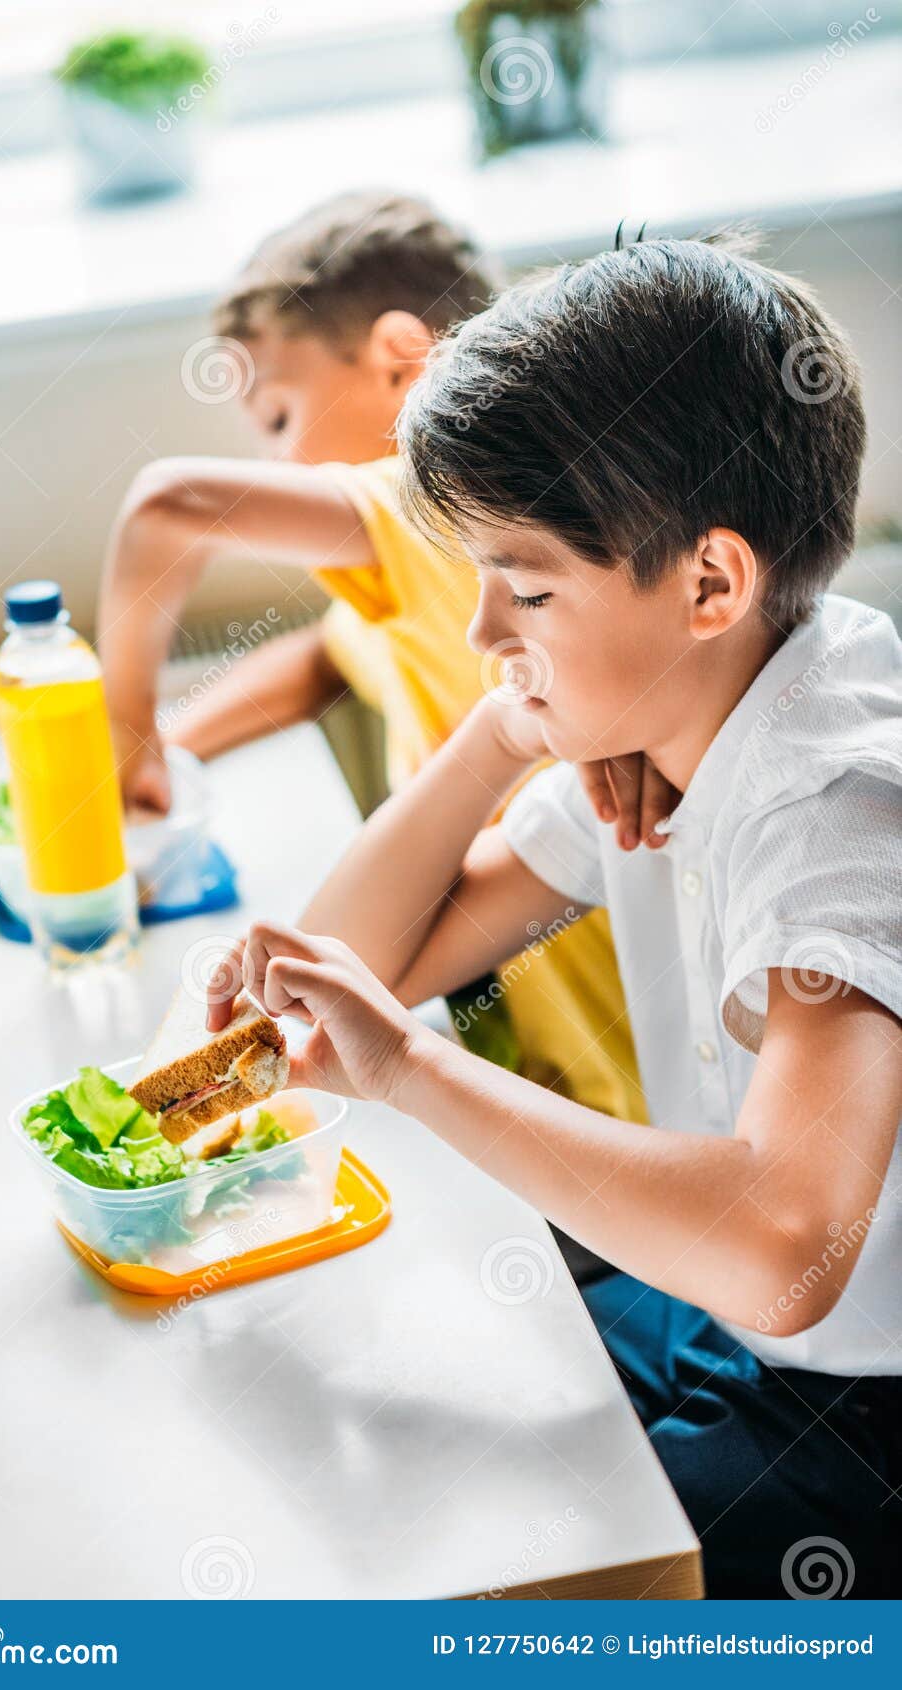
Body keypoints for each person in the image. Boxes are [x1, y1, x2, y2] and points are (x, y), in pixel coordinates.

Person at [204, 232, 902, 1597]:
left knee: (466, 1575)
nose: (479, 630)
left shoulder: (833, 810)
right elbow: (345, 964)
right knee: (390, 1396)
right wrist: (500, 732)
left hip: (857, 1414)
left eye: (523, 590)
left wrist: (410, 1067)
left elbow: (787, 1251)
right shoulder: (669, 704)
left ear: (711, 582)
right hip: (735, 1333)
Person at [99, 190, 655, 1127]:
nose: (280, 465)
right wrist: (174, 747)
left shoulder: (429, 499)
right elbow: (327, 657)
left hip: (617, 1058)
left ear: (405, 362)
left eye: (278, 418)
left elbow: (167, 507)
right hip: (516, 1014)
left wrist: (118, 744)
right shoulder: (441, 567)